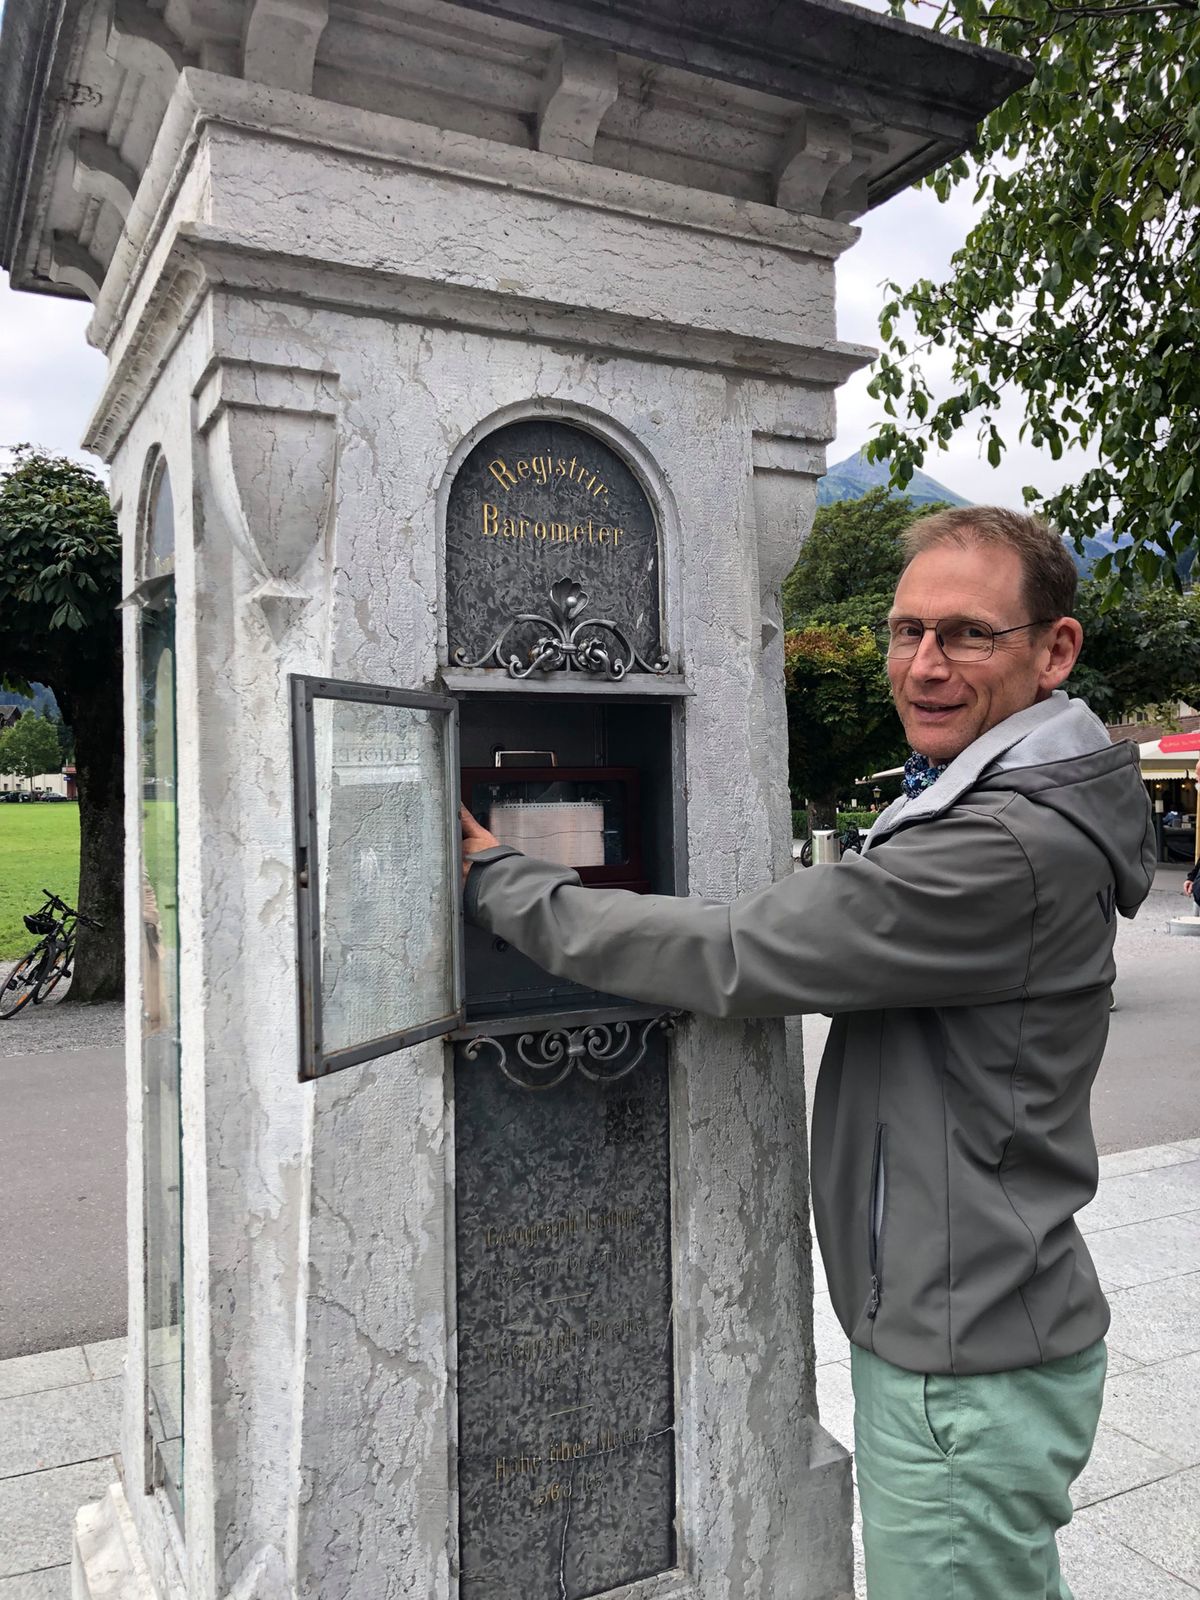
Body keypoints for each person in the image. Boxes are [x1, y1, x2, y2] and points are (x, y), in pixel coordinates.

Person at [461, 506, 1156, 1600]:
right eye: (906, 630)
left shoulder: (1003, 848)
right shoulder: (1010, 801)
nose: (924, 665)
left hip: (960, 1365)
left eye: (968, 634)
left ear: (1053, 650)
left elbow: (741, 951)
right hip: (978, 1327)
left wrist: (504, 883)